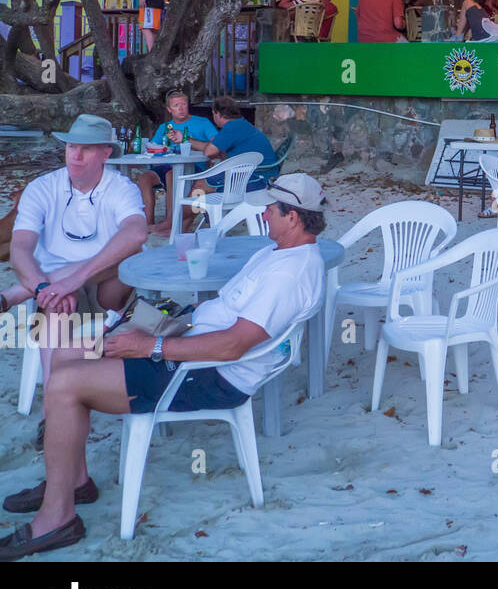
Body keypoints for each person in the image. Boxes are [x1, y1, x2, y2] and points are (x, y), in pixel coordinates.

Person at [0, 174, 327, 558]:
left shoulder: (290, 273)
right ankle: (73, 481)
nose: (265, 214)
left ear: (294, 218)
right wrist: (166, 325)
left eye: (272, 209)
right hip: (189, 345)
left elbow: (233, 345)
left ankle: (58, 517)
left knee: (65, 384)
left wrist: (151, 345)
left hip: (207, 375)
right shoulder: (277, 253)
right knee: (67, 351)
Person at [1, 115, 149, 454]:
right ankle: (53, 415)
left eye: (85, 149)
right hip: (50, 290)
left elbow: (137, 233)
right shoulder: (43, 187)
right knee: (54, 309)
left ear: (106, 153)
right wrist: (42, 288)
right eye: (70, 147)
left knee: (124, 256)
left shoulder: (119, 188)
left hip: (107, 289)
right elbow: (20, 249)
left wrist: (75, 279)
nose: (75, 156)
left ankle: (11, 297)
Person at [174, 97, 279, 232]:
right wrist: (185, 138)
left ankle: (174, 224)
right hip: (263, 175)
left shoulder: (231, 127)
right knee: (201, 186)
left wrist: (186, 140)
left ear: (217, 113)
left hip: (255, 179)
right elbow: (212, 148)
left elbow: (209, 152)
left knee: (199, 187)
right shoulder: (240, 124)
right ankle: (179, 227)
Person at [134, 89, 219, 231]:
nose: (181, 108)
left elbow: (217, 146)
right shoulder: (164, 127)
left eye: (183, 104)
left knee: (171, 174)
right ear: (169, 109)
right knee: (144, 177)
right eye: (176, 105)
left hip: (194, 169)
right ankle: (147, 223)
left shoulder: (202, 122)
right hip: (167, 164)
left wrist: (186, 140)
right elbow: (152, 148)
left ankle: (170, 222)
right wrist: (161, 148)